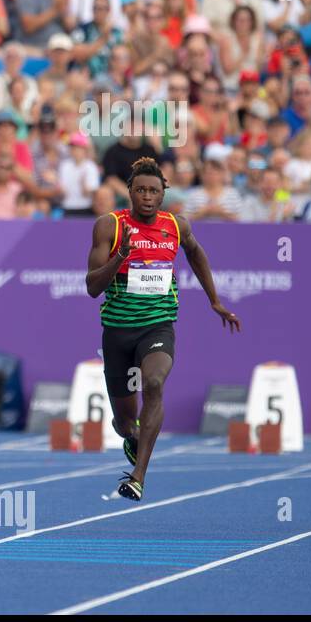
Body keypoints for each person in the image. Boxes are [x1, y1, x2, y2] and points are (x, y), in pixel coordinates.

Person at [85, 158, 240, 502]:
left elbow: (197, 253)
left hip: (157, 326)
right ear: (130, 192)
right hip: (117, 331)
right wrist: (120, 255)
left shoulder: (176, 225)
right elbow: (92, 287)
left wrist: (214, 300)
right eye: (140, 190)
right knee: (124, 423)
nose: (147, 196)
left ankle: (138, 476)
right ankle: (134, 437)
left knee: (154, 383)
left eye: (154, 191)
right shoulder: (108, 226)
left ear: (163, 193)